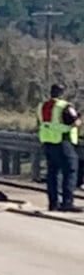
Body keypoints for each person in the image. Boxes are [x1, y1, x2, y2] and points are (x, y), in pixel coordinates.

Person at [38, 84, 82, 212]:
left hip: (48, 142)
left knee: (53, 173)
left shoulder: (42, 106)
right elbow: (74, 122)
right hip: (63, 142)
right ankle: (67, 202)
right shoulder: (64, 106)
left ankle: (53, 204)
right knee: (70, 171)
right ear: (62, 93)